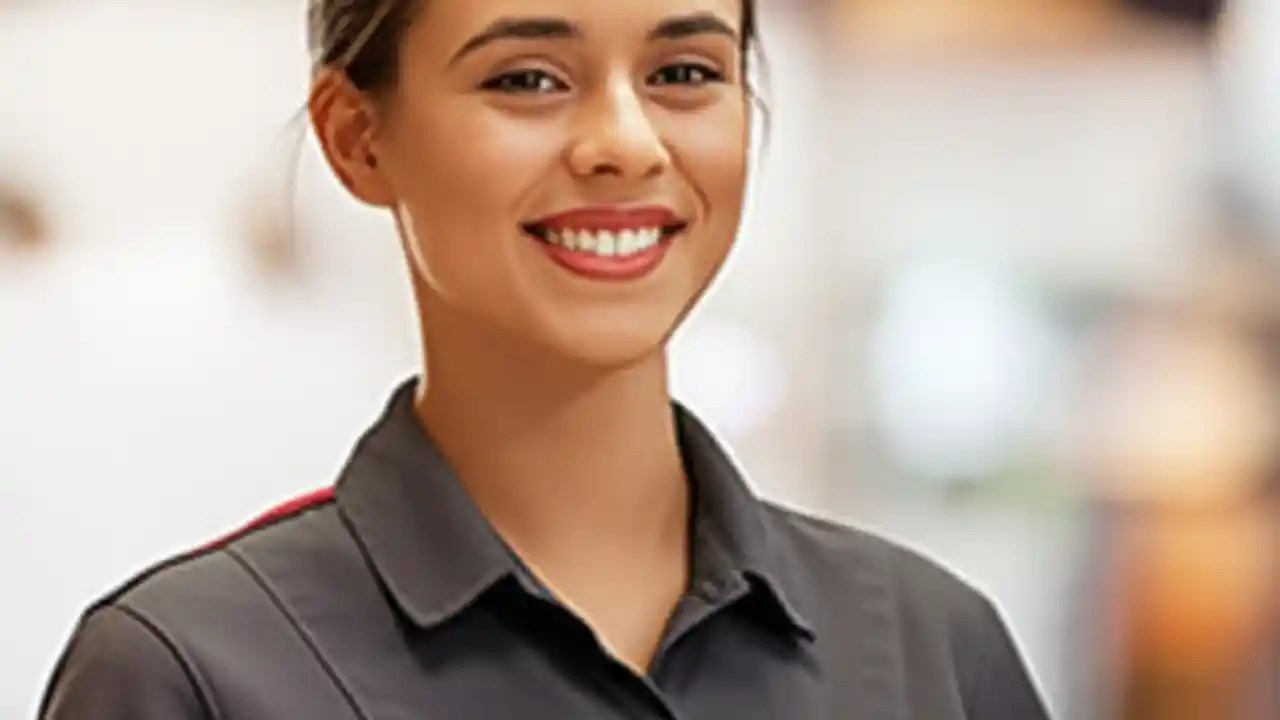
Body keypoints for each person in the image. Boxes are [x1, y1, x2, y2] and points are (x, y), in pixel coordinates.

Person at [38, 0, 1051, 717]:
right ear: (356, 137)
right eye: (526, 79)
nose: (624, 141)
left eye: (683, 73)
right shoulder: (194, 675)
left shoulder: (930, 652)